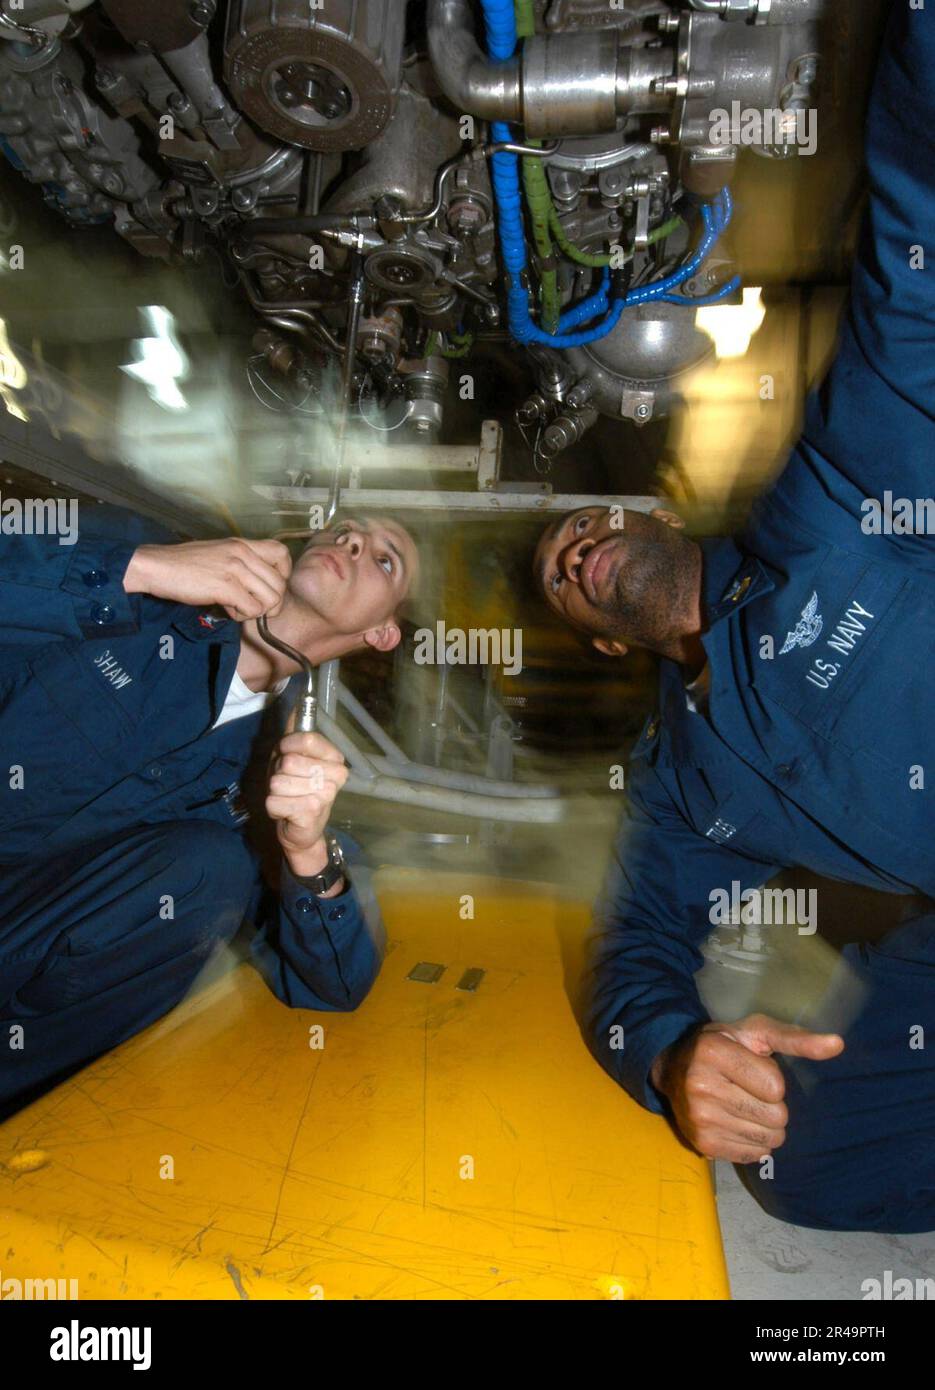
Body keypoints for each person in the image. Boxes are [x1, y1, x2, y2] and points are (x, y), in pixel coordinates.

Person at [532, 2, 934, 1232]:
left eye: (591, 521)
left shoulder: (831, 504)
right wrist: (666, 1055)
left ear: (657, 516)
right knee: (788, 1150)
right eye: (562, 570)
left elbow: (909, 298)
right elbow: (633, 944)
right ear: (603, 634)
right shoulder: (689, 777)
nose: (583, 545)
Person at [0, 507, 419, 1115]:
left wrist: (305, 851)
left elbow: (336, 985)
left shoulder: (279, 771)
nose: (352, 540)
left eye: (385, 558)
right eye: (347, 527)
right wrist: (138, 569)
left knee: (210, 867)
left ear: (381, 633)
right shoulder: (144, 589)